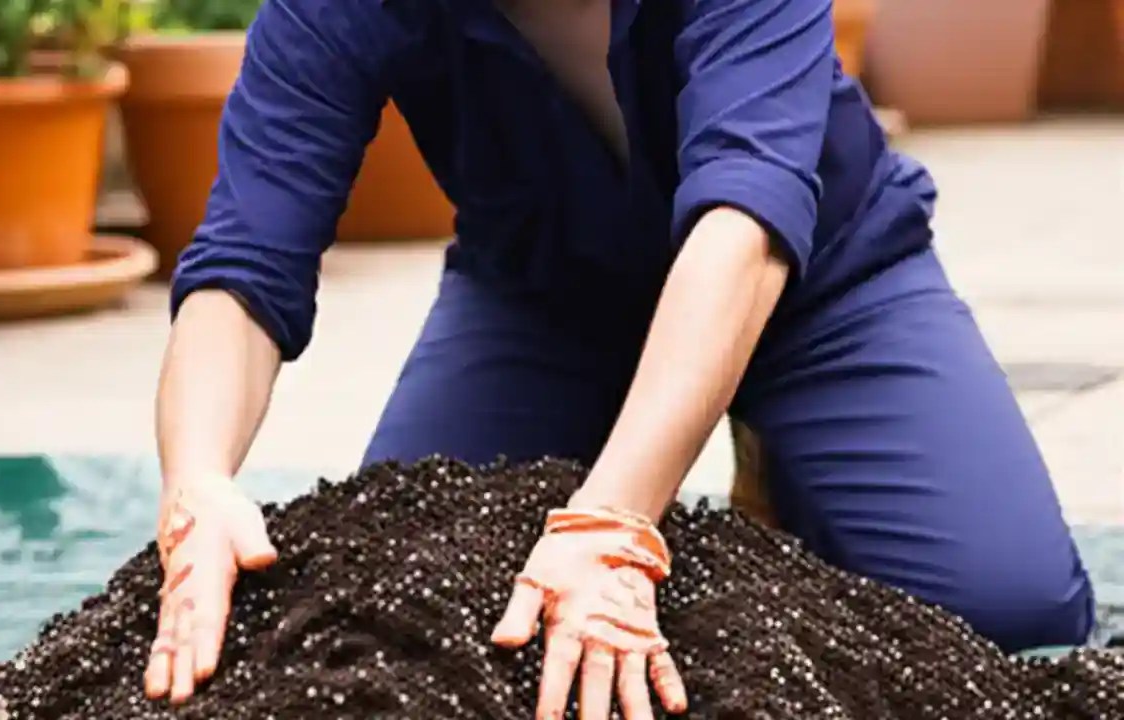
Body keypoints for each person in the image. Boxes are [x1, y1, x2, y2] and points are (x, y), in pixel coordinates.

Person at [143, 0, 1097, 716]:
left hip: (815, 287)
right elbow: (245, 255)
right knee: (413, 601)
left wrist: (615, 520)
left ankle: (770, 444)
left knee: (1007, 611)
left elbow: (748, 211)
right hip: (544, 307)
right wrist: (196, 483)